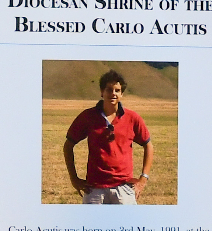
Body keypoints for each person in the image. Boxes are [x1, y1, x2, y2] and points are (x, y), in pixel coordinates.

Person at [63, 69, 152, 205]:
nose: (113, 94)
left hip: (124, 187)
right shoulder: (87, 117)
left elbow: (148, 145)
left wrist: (143, 178)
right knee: (92, 226)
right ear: (102, 92)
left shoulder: (132, 118)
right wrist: (73, 178)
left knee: (125, 226)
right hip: (94, 189)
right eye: (109, 90)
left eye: (117, 90)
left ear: (122, 94)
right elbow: (68, 145)